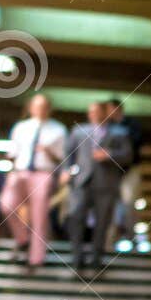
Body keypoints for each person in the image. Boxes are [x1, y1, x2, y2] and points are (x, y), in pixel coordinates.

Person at [61, 101, 133, 271]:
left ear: (105, 113)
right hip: (82, 181)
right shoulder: (79, 131)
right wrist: (66, 171)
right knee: (76, 217)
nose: (93, 114)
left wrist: (110, 154)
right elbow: (68, 154)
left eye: (97, 111)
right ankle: (77, 257)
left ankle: (96, 258)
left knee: (102, 222)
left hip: (106, 183)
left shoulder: (119, 133)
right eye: (90, 111)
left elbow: (128, 155)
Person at [0, 93, 67, 268]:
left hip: (43, 173)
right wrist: (11, 174)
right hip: (20, 172)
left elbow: (63, 159)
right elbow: (12, 154)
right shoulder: (21, 127)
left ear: (49, 109)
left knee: (39, 216)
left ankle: (36, 258)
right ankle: (23, 240)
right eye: (37, 106)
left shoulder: (58, 130)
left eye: (44, 106)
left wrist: (47, 151)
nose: (40, 109)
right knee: (6, 205)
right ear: (31, 108)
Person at [106, 98, 144, 248]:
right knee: (112, 206)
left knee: (129, 203)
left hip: (130, 169)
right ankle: (110, 239)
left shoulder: (132, 125)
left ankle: (130, 236)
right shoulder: (107, 127)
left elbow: (135, 145)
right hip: (112, 172)